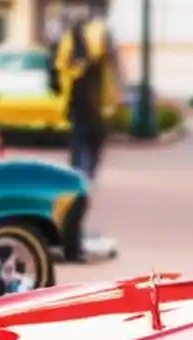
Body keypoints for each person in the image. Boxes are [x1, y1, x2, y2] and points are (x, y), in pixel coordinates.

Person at [52, 3, 123, 261]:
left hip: (83, 114)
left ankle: (71, 236)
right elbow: (113, 66)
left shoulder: (70, 36)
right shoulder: (92, 36)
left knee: (80, 179)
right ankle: (71, 241)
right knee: (82, 181)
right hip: (90, 116)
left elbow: (61, 72)